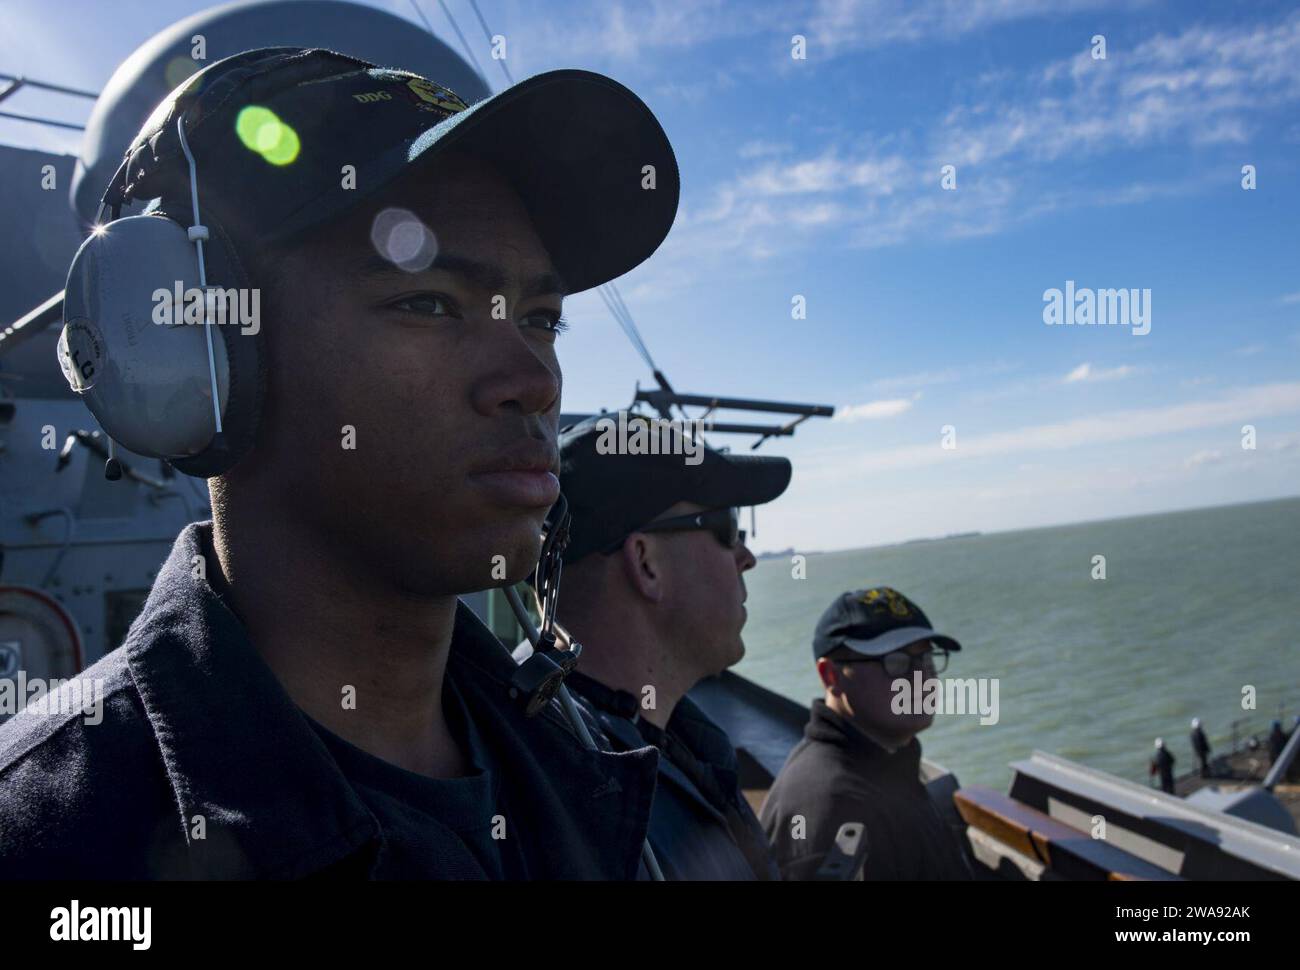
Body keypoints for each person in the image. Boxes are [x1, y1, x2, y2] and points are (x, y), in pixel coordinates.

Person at [0, 48, 679, 879]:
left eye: (541, 318)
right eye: (427, 302)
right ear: (192, 348)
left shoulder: (579, 759)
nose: (535, 383)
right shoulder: (47, 840)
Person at [516, 413, 789, 880]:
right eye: (726, 526)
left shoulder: (670, 736)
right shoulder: (575, 806)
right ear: (646, 563)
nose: (747, 556)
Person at [760, 586, 973, 880]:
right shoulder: (833, 808)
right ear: (831, 676)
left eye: (926, 658)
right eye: (896, 662)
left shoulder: (889, 765)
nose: (922, 677)